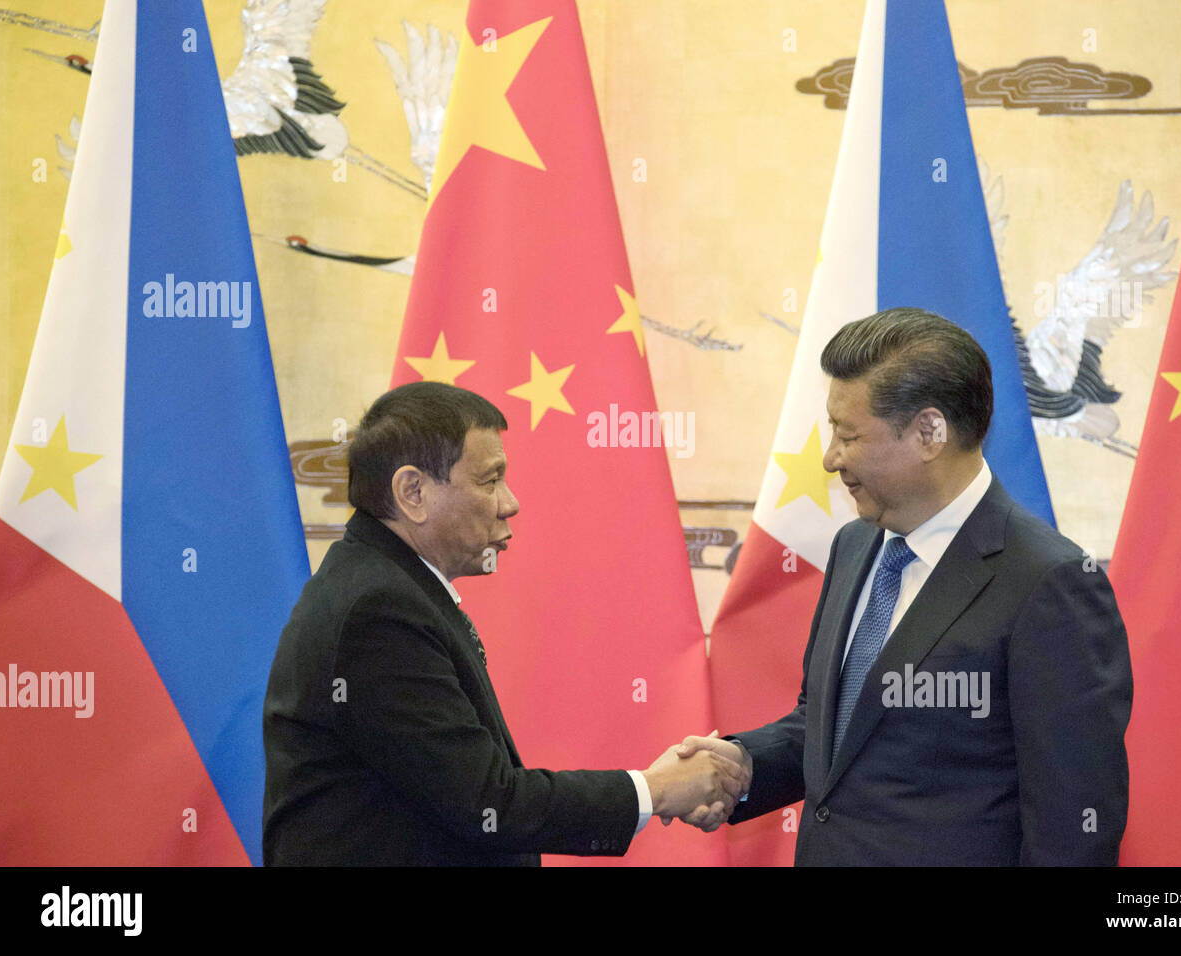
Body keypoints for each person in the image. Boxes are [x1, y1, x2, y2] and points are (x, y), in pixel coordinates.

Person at [678, 307, 1132, 865]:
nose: (829, 458)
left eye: (848, 436)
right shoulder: (854, 546)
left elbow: (1073, 830)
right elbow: (835, 725)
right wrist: (743, 764)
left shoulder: (1050, 584)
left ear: (929, 432)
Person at [262, 381, 746, 865]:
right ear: (413, 492)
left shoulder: (385, 586)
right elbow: (488, 804)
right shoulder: (377, 612)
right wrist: (655, 790)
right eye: (490, 480)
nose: (510, 503)